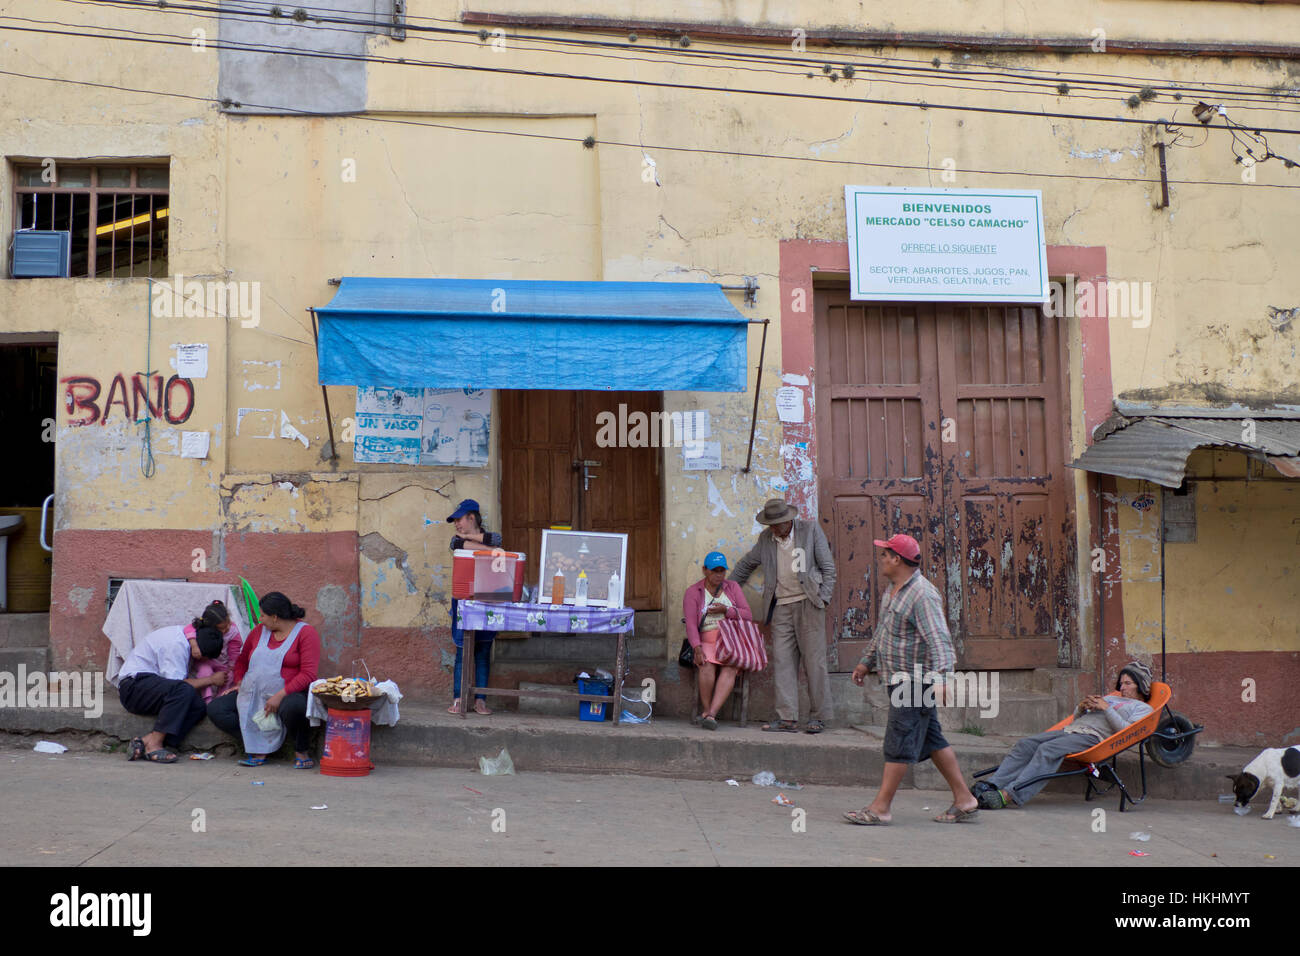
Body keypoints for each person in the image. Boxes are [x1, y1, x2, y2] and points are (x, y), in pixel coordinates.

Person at [845, 533, 979, 825]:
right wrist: (866, 661)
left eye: (885, 554)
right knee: (932, 740)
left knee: (898, 741)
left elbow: (939, 639)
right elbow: (883, 632)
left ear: (897, 559)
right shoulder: (893, 591)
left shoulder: (922, 594)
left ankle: (881, 808)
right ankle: (965, 798)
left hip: (914, 682)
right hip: (899, 679)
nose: (881, 559)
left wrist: (943, 678)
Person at [973, 661, 1155, 809]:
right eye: (1121, 683)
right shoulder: (1111, 698)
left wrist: (1106, 709)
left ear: (1141, 687)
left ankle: (1008, 795)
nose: (1122, 688)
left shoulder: (1142, 708)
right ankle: (993, 784)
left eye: (1128, 684)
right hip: (1071, 731)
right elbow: (1077, 719)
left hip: (1093, 739)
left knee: (1047, 749)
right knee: (1026, 744)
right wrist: (1082, 708)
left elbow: (1127, 731)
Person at [729, 498, 836, 733]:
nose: (775, 528)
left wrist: (824, 598)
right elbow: (746, 564)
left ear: (789, 519)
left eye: (779, 523)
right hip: (781, 607)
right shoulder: (766, 539)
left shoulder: (809, 530)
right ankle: (787, 718)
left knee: (814, 662)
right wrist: (727, 591)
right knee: (783, 662)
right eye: (771, 524)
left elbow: (828, 567)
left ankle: (818, 717)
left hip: (809, 603)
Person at [206, 592, 321, 769]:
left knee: (294, 707)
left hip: (289, 692)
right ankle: (257, 743)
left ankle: (301, 750)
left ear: (274, 617)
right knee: (217, 709)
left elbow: (308, 674)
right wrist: (239, 683)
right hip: (253, 693)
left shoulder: (306, 633)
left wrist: (280, 695)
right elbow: (242, 660)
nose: (260, 619)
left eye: (262, 615)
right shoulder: (259, 631)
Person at [118, 623, 227, 763]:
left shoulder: (188, 637)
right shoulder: (177, 645)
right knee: (183, 690)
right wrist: (211, 679)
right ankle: (154, 745)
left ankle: (152, 742)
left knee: (198, 706)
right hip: (133, 689)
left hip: (149, 687)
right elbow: (179, 686)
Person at [683, 551, 753, 730]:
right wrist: (697, 649)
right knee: (706, 664)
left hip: (731, 641)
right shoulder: (693, 592)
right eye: (715, 571)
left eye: (722, 571)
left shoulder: (733, 587)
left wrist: (726, 610)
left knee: (731, 666)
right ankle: (707, 710)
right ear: (705, 570)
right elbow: (691, 625)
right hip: (706, 640)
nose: (719, 575)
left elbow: (747, 615)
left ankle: (711, 714)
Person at [447, 498, 500, 716]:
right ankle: (459, 699)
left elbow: (497, 542)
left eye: (459, 520)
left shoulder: (488, 535)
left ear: (471, 517)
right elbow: (460, 545)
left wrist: (469, 538)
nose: (457, 525)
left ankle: (480, 700)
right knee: (462, 652)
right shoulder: (455, 540)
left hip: (488, 600)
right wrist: (484, 546)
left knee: (483, 652)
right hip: (464, 601)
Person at [187, 600, 242, 704]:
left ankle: (220, 698)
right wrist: (194, 645)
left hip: (223, 662)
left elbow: (234, 650)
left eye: (228, 624)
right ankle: (207, 699)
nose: (226, 629)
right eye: (222, 628)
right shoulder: (202, 626)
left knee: (229, 676)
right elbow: (188, 629)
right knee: (205, 671)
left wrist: (231, 666)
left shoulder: (233, 631)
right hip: (206, 660)